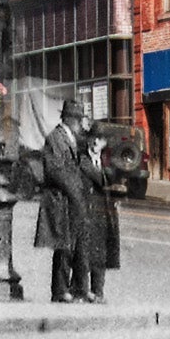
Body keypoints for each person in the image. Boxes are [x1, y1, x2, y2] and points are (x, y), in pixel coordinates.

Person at [35, 98, 95, 302]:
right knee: (64, 246)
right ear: (69, 119)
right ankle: (60, 290)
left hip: (74, 199)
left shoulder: (73, 138)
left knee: (81, 244)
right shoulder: (55, 138)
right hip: (62, 199)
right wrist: (75, 192)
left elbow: (82, 163)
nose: (80, 123)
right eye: (78, 119)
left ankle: (80, 288)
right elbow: (55, 170)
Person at [78, 121, 122, 304]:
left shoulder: (107, 162)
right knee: (83, 253)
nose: (96, 142)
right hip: (86, 212)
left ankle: (98, 292)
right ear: (88, 139)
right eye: (94, 138)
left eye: (100, 139)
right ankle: (82, 291)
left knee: (101, 253)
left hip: (103, 214)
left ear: (105, 142)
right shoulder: (82, 160)